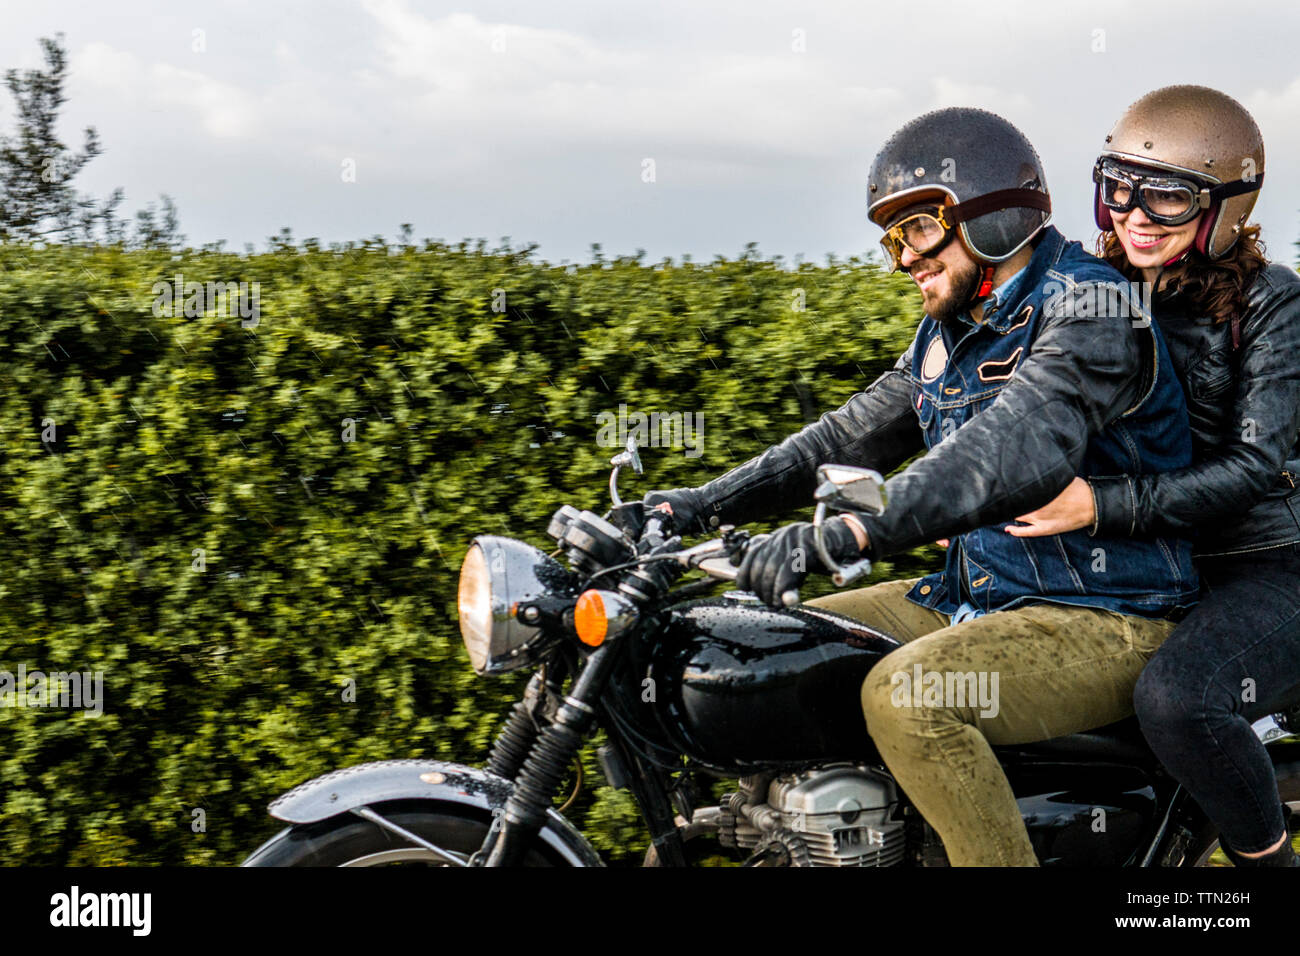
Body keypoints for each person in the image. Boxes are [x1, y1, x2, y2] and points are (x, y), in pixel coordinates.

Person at [615, 106, 1199, 865]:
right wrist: (688, 506)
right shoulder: (951, 329)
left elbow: (1011, 449)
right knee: (758, 653)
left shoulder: (1089, 308)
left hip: (1110, 614)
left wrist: (853, 529)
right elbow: (839, 438)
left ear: (993, 212)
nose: (902, 259)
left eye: (917, 228)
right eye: (891, 238)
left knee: (912, 699)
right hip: (978, 594)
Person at [1008, 85, 1300, 866]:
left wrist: (1095, 508)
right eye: (1120, 189)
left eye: (1169, 198)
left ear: (1224, 209)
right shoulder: (1083, 291)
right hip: (1145, 567)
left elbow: (1250, 468)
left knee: (1176, 701)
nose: (1136, 215)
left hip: (1261, 568)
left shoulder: (1273, 305)